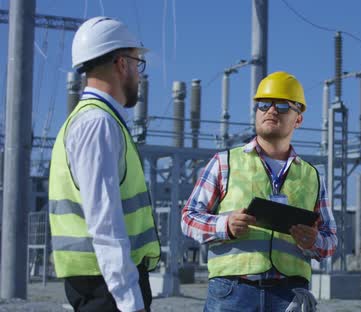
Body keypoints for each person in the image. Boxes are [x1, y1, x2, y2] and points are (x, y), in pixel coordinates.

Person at [181, 71, 337, 311]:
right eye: (264, 104)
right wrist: (225, 225)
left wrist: (314, 240)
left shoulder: (312, 176)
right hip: (232, 292)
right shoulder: (225, 162)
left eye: (283, 106)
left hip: (290, 295)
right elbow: (189, 217)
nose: (271, 110)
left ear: (298, 119)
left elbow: (331, 240)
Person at [48, 17, 160, 312]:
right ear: (122, 64)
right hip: (107, 290)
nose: (139, 73)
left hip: (101, 283)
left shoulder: (92, 119)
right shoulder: (97, 124)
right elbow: (105, 222)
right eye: (138, 63)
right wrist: (129, 300)